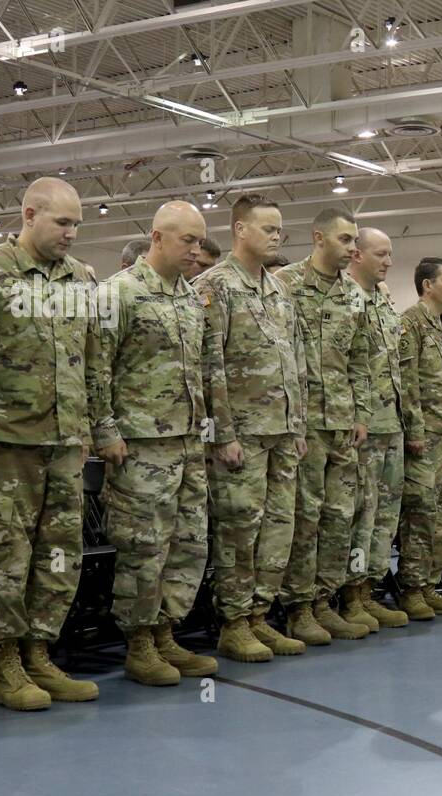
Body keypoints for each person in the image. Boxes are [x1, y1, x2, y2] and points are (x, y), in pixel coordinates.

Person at [0, 177, 104, 710]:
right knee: (5, 557)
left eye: (77, 225)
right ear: (29, 214)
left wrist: (93, 427)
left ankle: (41, 650)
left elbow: (92, 360)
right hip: (4, 444)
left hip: (65, 443)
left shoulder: (83, 278)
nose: (71, 233)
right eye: (62, 223)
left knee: (60, 554)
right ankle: (6, 664)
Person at [94, 201, 217, 684]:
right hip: (141, 444)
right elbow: (97, 365)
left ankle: (167, 632)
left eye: (200, 241)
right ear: (157, 238)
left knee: (188, 543)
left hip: (186, 440)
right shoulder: (119, 293)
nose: (196, 250)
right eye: (187, 240)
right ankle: (139, 642)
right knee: (144, 546)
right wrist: (106, 430)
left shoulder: (189, 297)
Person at [196, 194, 309, 659]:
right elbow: (210, 364)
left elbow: (296, 360)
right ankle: (234, 621)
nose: (276, 237)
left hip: (282, 431)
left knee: (278, 529)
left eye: (279, 230)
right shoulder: (215, 286)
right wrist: (223, 433)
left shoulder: (279, 289)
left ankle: (260, 616)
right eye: (267, 229)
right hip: (242, 433)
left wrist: (298, 424)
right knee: (239, 530)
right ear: (240, 230)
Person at [278, 209, 373, 640]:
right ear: (319, 238)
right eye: (346, 239)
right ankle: (297, 607)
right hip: (302, 423)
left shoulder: (354, 295)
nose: (354, 248)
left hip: (341, 422)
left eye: (355, 240)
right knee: (305, 515)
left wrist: (360, 413)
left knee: (339, 515)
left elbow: (360, 358)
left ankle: (324, 599)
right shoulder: (286, 285)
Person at [340, 227, 411, 628]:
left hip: (391, 423)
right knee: (361, 514)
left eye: (390, 254)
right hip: (363, 424)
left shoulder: (384, 299)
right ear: (357, 255)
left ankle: (370, 589)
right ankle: (350, 596)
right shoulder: (347, 299)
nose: (388, 261)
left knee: (385, 514)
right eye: (381, 254)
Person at [397, 258, 442, 616]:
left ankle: (429, 584)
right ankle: (410, 588)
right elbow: (408, 384)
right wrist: (415, 431)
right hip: (425, 439)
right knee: (421, 516)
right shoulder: (412, 324)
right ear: (427, 285)